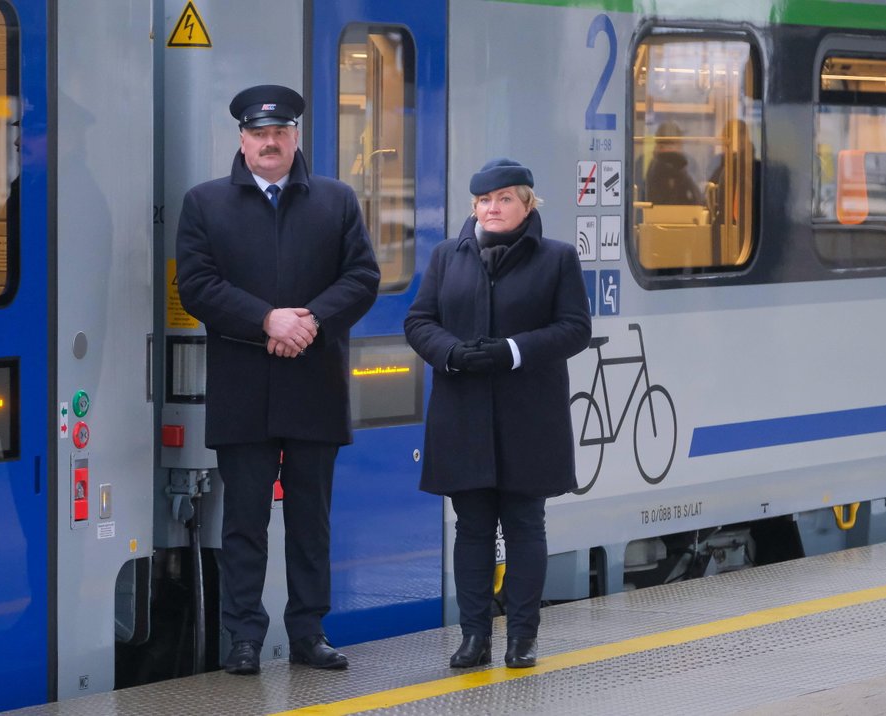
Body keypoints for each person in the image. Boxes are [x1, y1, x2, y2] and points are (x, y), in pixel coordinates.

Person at [175, 84, 380, 676]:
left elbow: (362, 277)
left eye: (281, 133)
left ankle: (309, 633)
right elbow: (197, 286)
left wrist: (309, 321)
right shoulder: (205, 204)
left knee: (310, 520)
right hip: (243, 386)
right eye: (260, 134)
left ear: (296, 137)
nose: (270, 143)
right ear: (242, 139)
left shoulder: (336, 201)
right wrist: (267, 319)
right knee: (244, 521)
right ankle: (243, 637)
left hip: (313, 384)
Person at [404, 158, 591, 669]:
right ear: (474, 207)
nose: (493, 208)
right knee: (472, 528)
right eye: (485, 200)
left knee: (526, 524)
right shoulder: (447, 256)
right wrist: (452, 352)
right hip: (463, 414)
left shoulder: (556, 259)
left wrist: (511, 350)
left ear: (528, 204)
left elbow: (575, 328)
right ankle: (474, 637)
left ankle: (523, 637)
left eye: (506, 198)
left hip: (529, 417)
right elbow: (419, 320)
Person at [645, 121, 702, 205]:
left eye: (673, 143)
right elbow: (644, 196)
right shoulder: (649, 164)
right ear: (657, 146)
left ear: (680, 145)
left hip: (687, 214)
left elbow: (697, 197)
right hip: (654, 213)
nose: (669, 149)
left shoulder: (689, 163)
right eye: (664, 145)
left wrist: (683, 173)